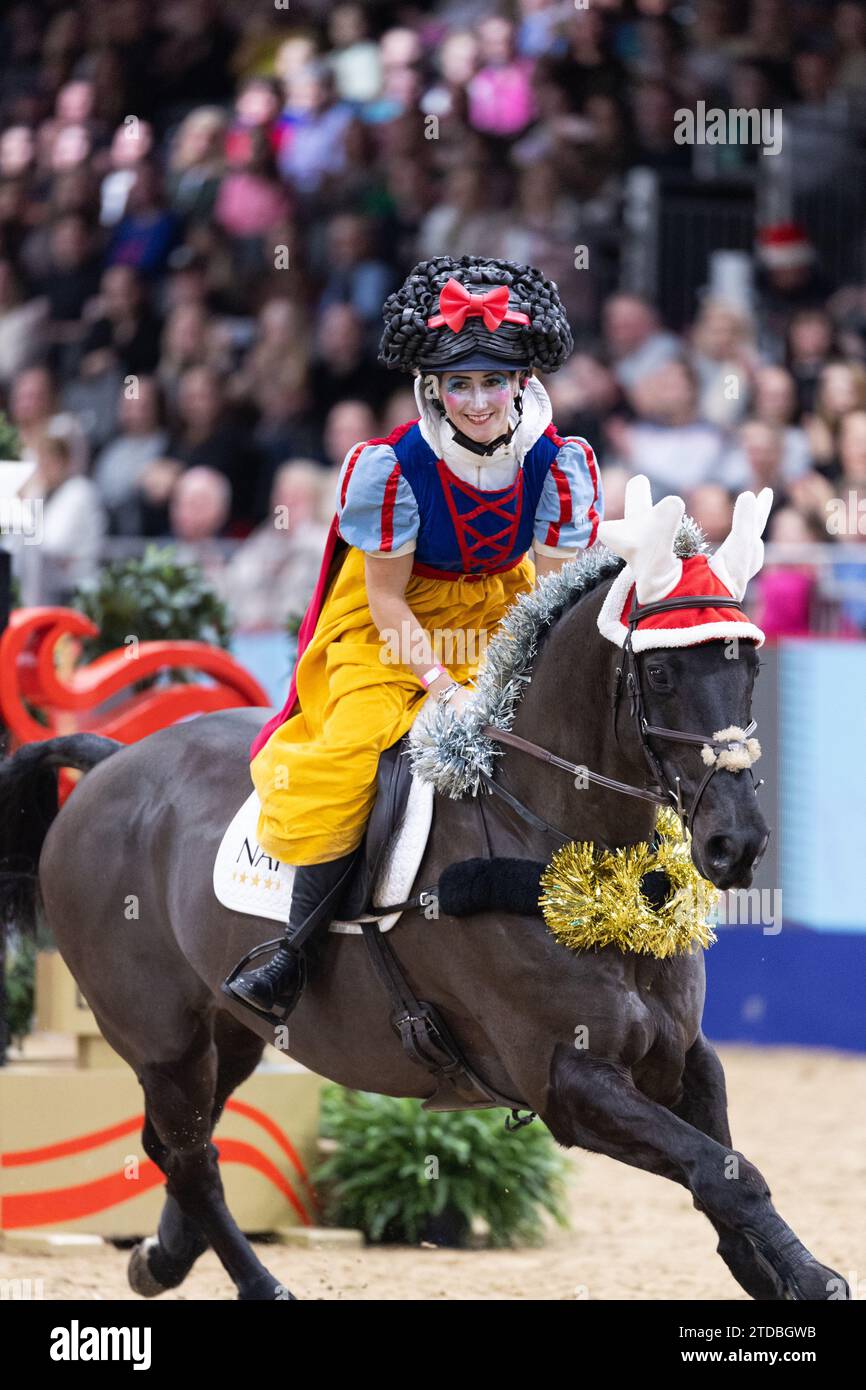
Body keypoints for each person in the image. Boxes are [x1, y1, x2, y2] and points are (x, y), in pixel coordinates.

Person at [223, 254, 602, 1023]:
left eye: (492, 381)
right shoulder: (391, 469)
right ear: (431, 387)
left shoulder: (559, 463)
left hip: (503, 610)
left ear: (521, 382)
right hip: (394, 626)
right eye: (457, 384)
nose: (476, 400)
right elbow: (386, 598)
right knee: (352, 748)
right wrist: (443, 687)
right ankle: (292, 955)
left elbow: (561, 592)